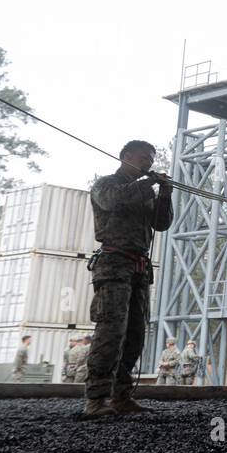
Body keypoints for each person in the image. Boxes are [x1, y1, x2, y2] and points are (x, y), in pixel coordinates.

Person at [82, 140, 173, 418]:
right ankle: (96, 398)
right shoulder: (105, 184)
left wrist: (165, 194)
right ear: (125, 156)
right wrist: (148, 183)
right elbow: (115, 199)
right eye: (143, 157)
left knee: (135, 334)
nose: (148, 162)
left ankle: (121, 396)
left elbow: (161, 223)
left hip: (138, 267)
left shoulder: (144, 192)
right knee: (111, 331)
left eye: (151, 159)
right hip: (114, 264)